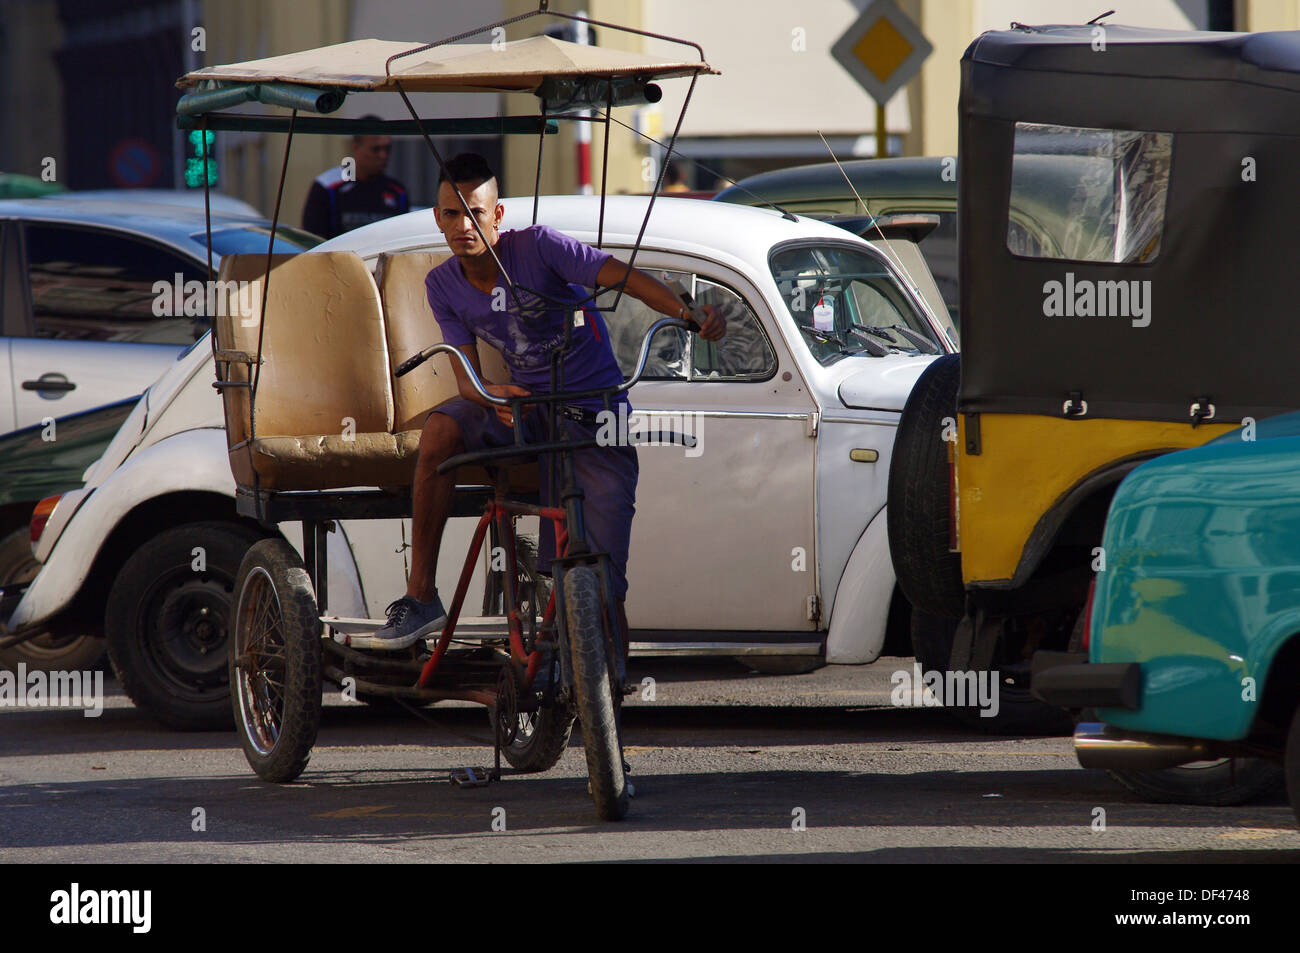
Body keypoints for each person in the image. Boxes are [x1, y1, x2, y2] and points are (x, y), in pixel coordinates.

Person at [373, 152, 726, 648]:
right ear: (438, 218)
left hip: (596, 416)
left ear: (497, 215)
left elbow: (621, 275)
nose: (463, 225)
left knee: (603, 584)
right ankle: (421, 597)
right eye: (451, 214)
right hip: (527, 414)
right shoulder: (442, 284)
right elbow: (467, 379)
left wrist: (688, 312)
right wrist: (490, 393)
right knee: (441, 429)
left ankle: (608, 694)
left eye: (475, 212)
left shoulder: (540, 247)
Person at [301, 115, 409, 238]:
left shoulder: (397, 191)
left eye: (387, 149)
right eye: (376, 149)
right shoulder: (327, 186)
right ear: (356, 146)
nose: (383, 155)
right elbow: (312, 241)